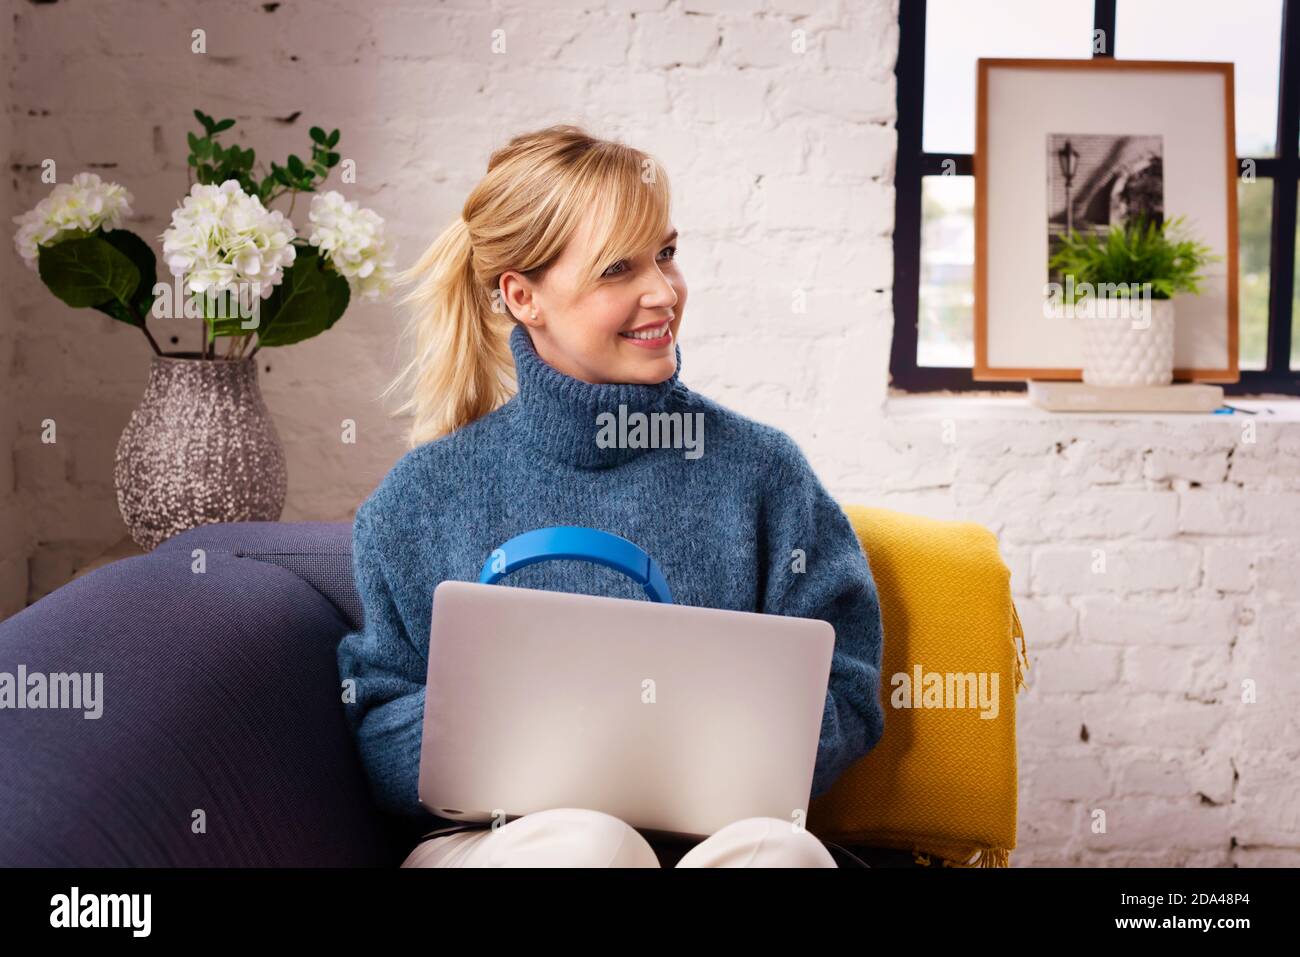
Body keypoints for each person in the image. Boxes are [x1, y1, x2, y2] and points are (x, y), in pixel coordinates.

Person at [336, 124, 885, 868]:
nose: (661, 291)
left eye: (665, 253)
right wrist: (559, 761)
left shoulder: (763, 471)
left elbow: (847, 685)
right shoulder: (420, 499)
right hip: (503, 842)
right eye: (617, 269)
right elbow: (377, 717)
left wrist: (709, 758)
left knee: (783, 855)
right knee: (590, 846)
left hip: (715, 842)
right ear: (522, 295)